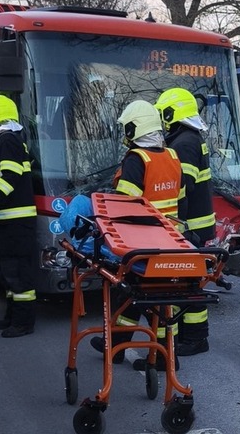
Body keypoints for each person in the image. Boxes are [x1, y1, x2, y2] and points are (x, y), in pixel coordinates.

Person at [91, 100, 185, 364]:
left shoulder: (137, 159)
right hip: (171, 240)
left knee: (127, 293)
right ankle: (167, 355)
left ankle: (117, 347)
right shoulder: (172, 156)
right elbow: (180, 198)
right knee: (164, 300)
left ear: (134, 129)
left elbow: (125, 206)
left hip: (142, 243)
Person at [155, 87, 214, 356]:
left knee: (187, 284)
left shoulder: (185, 143)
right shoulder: (187, 138)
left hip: (190, 227)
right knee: (187, 283)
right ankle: (187, 337)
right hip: (192, 226)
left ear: (170, 113)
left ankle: (195, 339)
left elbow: (180, 187)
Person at [0, 95, 38, 338]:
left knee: (17, 271)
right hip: (8, 220)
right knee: (6, 270)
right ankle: (12, 316)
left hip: (16, 221)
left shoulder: (7, 140)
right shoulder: (9, 139)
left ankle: (23, 322)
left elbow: (10, 175)